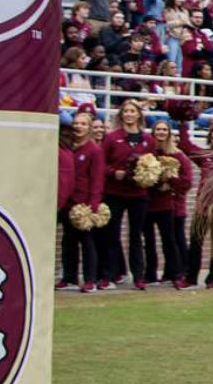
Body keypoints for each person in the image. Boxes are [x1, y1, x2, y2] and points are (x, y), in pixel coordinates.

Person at [101, 98, 155, 289]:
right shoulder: (111, 137)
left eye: (133, 111)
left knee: (136, 236)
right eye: (126, 111)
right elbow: (102, 163)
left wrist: (146, 176)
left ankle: (139, 276)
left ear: (139, 114)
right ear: (121, 114)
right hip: (114, 193)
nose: (129, 114)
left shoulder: (148, 140)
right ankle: (109, 274)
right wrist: (113, 172)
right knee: (111, 235)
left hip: (138, 195)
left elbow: (152, 164)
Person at [178, 120, 213, 287]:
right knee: (196, 242)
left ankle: (212, 279)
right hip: (202, 208)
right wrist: (183, 124)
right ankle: (190, 278)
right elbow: (185, 146)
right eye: (212, 138)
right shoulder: (205, 156)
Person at [59, 107, 104, 292]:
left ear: (90, 128)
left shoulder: (94, 150)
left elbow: (97, 179)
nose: (78, 126)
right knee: (67, 241)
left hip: (83, 203)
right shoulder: (68, 147)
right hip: (67, 202)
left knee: (86, 242)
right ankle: (69, 277)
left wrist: (92, 205)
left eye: (83, 124)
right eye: (76, 123)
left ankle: (90, 280)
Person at [143, 120, 192, 288]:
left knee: (169, 241)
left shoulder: (177, 155)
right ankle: (150, 274)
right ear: (153, 132)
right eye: (158, 129)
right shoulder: (147, 153)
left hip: (166, 205)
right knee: (148, 241)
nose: (161, 132)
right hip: (147, 204)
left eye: (164, 129)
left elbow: (187, 182)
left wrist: (170, 180)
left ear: (169, 133)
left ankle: (176, 274)